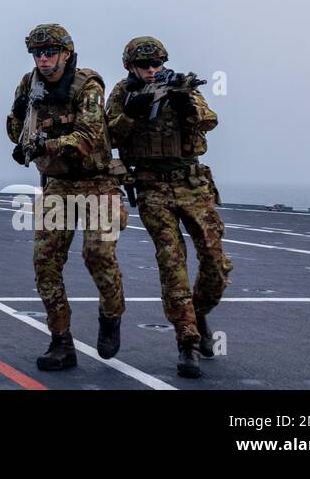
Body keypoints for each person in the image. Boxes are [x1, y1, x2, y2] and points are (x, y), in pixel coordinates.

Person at [107, 36, 231, 378]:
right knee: (171, 261)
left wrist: (183, 102)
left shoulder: (180, 85)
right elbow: (108, 136)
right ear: (130, 66)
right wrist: (132, 114)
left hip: (191, 183)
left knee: (215, 262)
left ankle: (198, 311)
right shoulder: (122, 93)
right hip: (151, 187)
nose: (151, 70)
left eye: (156, 64)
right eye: (143, 65)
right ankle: (187, 341)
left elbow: (208, 121)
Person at [7, 23, 127, 371]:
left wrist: (46, 145)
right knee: (45, 262)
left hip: (98, 182)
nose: (42, 60)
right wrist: (17, 116)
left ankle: (111, 313)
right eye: (37, 54)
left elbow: (89, 134)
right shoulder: (29, 85)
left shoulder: (87, 85)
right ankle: (61, 341)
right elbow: (18, 132)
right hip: (57, 184)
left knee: (97, 255)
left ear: (66, 54)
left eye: (49, 53)